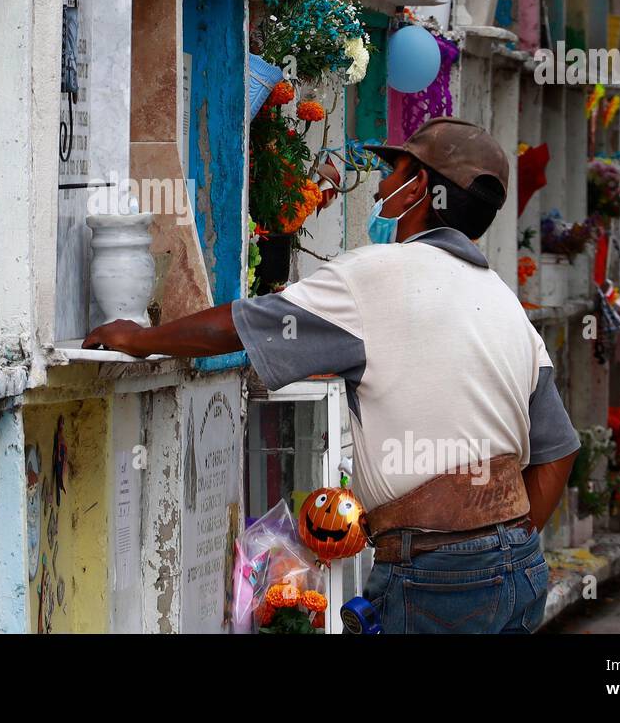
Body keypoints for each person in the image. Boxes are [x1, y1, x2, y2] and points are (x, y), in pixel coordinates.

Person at [84, 117, 580, 633]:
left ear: (421, 189)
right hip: (518, 569)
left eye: (396, 174)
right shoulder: (504, 302)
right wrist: (499, 546)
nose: (382, 187)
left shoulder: (373, 277)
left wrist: (138, 338)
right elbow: (558, 449)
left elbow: (236, 326)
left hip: (435, 574)